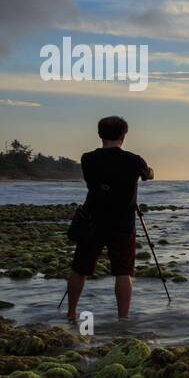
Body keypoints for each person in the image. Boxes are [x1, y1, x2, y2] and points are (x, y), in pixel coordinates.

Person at [66, 116, 154, 322]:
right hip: (122, 221)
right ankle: (123, 318)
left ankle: (71, 314)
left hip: (91, 218)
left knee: (80, 268)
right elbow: (148, 175)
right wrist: (149, 171)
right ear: (124, 135)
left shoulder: (88, 158)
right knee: (123, 271)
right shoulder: (134, 160)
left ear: (99, 134)